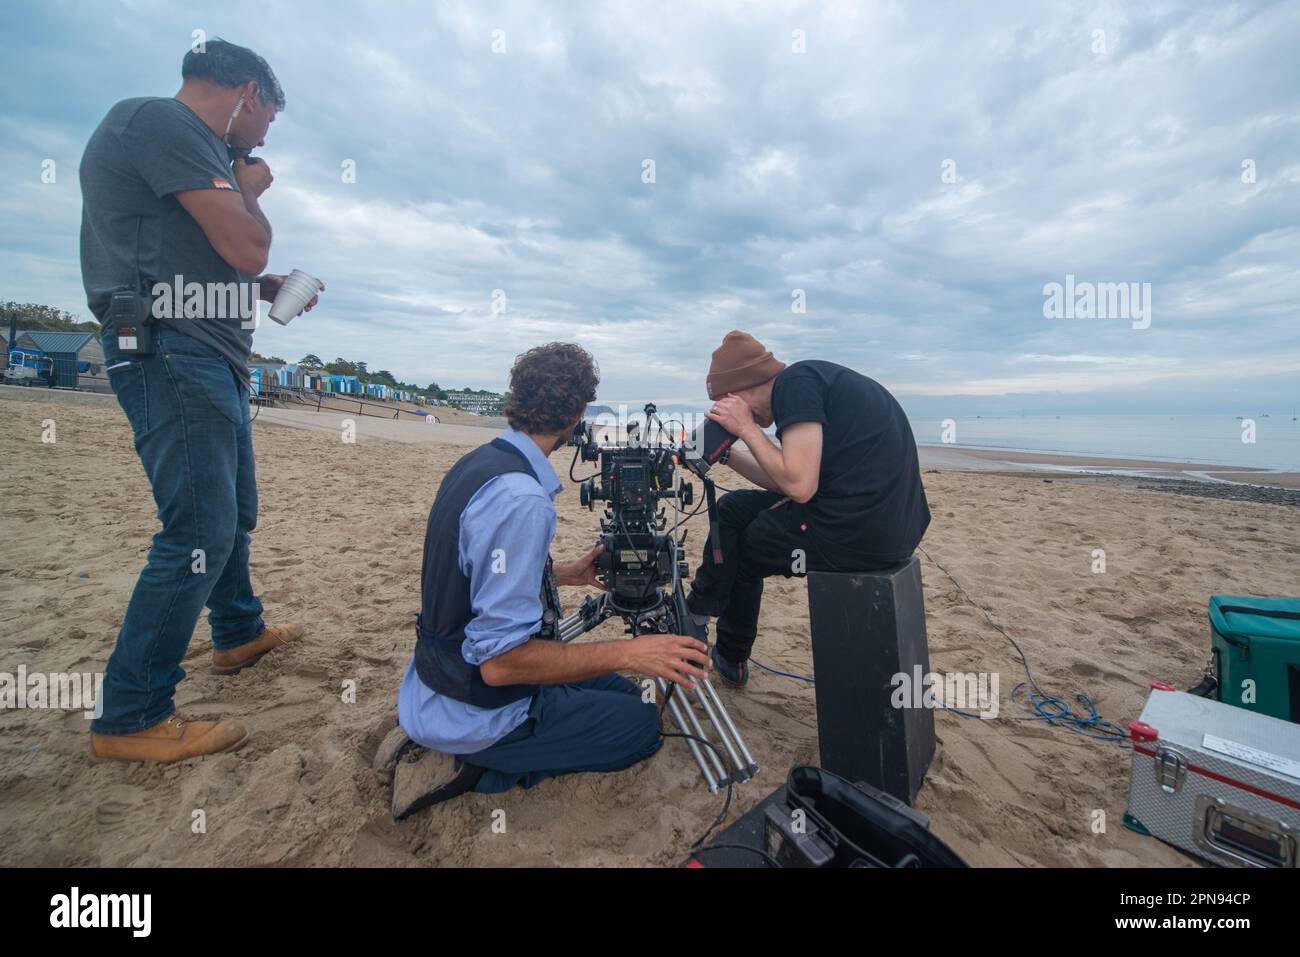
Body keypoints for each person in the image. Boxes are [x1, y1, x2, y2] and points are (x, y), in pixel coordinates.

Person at [80, 39, 320, 763]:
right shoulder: (164, 123)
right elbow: (246, 245)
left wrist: (261, 288)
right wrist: (248, 191)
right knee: (197, 531)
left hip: (203, 351)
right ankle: (131, 715)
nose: (263, 139)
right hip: (171, 350)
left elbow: (198, 255)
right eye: (268, 119)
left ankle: (238, 632)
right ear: (249, 93)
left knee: (233, 514)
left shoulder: (187, 142)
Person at [388, 342, 711, 816]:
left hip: (439, 675)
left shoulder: (479, 464)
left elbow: (473, 573)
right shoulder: (523, 499)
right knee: (643, 726)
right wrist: (633, 651)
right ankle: (477, 768)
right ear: (578, 414)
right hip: (477, 708)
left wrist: (563, 575)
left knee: (628, 692)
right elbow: (500, 664)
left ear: (517, 398)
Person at [686, 330, 931, 687]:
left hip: (856, 530)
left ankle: (729, 653)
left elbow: (799, 487)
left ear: (737, 391)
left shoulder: (794, 384)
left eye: (725, 403)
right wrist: (728, 455)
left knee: (745, 548)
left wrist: (747, 428)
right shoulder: (813, 381)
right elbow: (784, 480)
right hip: (889, 523)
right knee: (733, 508)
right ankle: (700, 610)